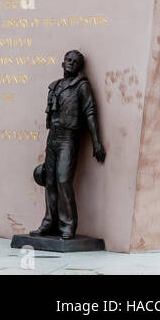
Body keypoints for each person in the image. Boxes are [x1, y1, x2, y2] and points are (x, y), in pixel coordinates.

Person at [30, 49, 105, 240]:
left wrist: (97, 142)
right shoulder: (54, 86)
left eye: (75, 61)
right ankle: (49, 222)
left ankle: (68, 225)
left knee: (63, 180)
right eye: (68, 59)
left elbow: (90, 112)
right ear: (62, 63)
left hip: (68, 139)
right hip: (53, 137)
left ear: (79, 66)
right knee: (50, 181)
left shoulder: (81, 86)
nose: (71, 63)